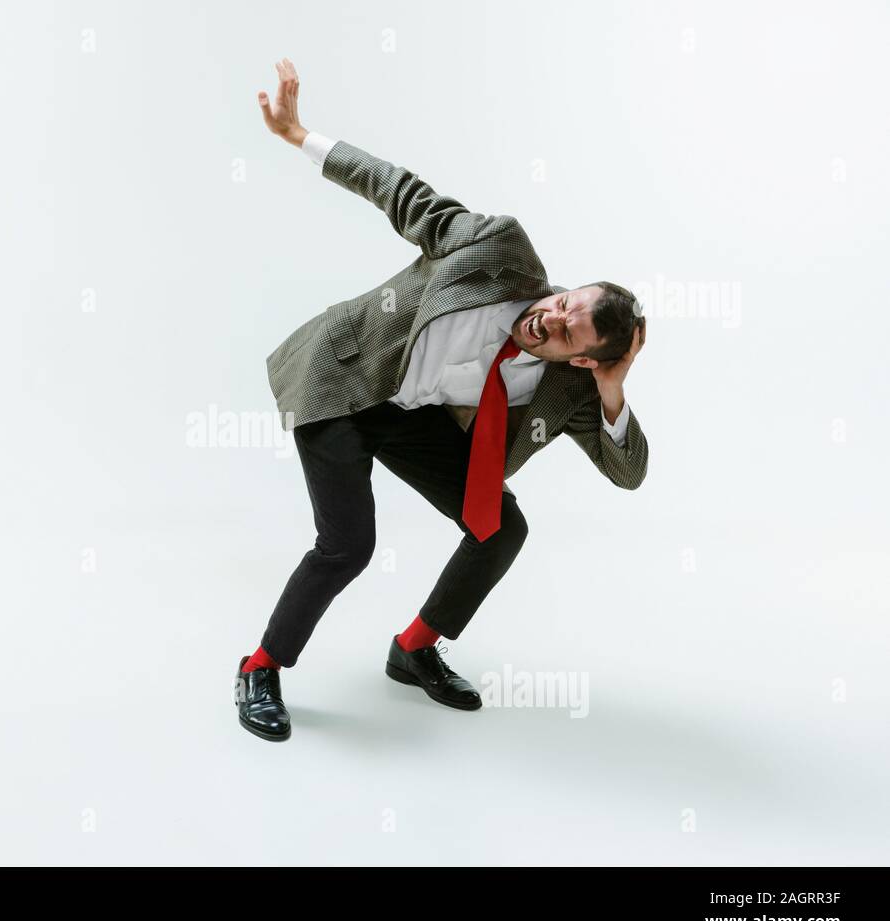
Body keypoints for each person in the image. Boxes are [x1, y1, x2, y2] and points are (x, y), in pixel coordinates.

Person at [234, 58, 649, 742]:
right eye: (565, 302)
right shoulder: (495, 247)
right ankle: (260, 665)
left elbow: (629, 474)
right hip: (345, 379)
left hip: (408, 414)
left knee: (501, 527)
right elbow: (398, 188)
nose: (551, 316)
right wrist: (299, 134)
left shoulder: (576, 386)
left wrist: (612, 390)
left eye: (569, 331)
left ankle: (414, 647)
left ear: (581, 357)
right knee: (348, 545)